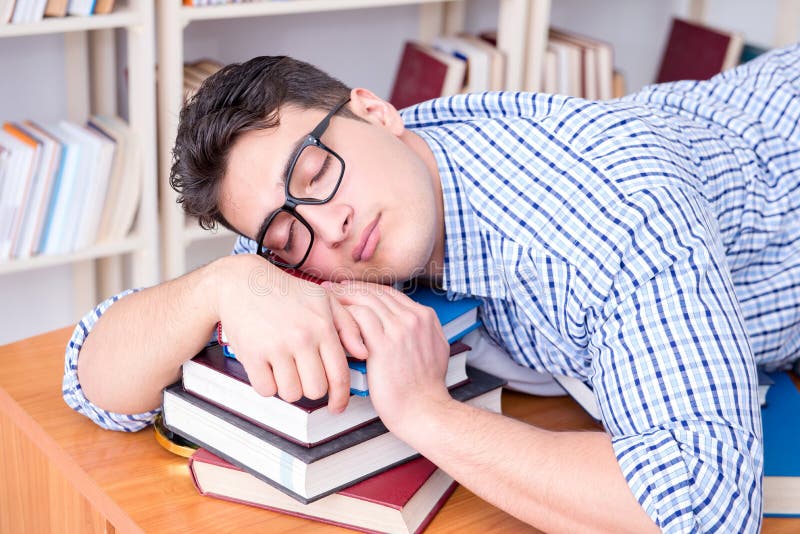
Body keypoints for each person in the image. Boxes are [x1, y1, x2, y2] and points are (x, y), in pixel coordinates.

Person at [62, 44, 800, 532]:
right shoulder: (319, 220)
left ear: (378, 111)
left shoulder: (610, 207)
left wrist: (426, 415)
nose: (332, 227)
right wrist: (222, 283)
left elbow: (703, 505)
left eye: (317, 173)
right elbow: (93, 377)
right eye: (286, 236)